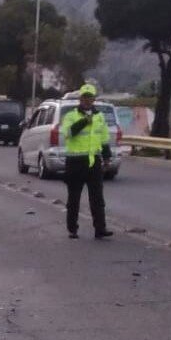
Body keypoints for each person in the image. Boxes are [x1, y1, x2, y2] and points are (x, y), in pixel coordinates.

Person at [60, 83, 114, 239]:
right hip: (75, 162)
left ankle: (100, 229)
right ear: (80, 99)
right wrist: (84, 121)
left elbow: (104, 139)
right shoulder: (71, 116)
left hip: (93, 162)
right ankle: (72, 229)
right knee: (74, 198)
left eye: (90, 97)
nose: (87, 100)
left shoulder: (99, 117)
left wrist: (107, 158)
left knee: (97, 198)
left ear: (94, 99)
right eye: (85, 97)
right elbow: (68, 133)